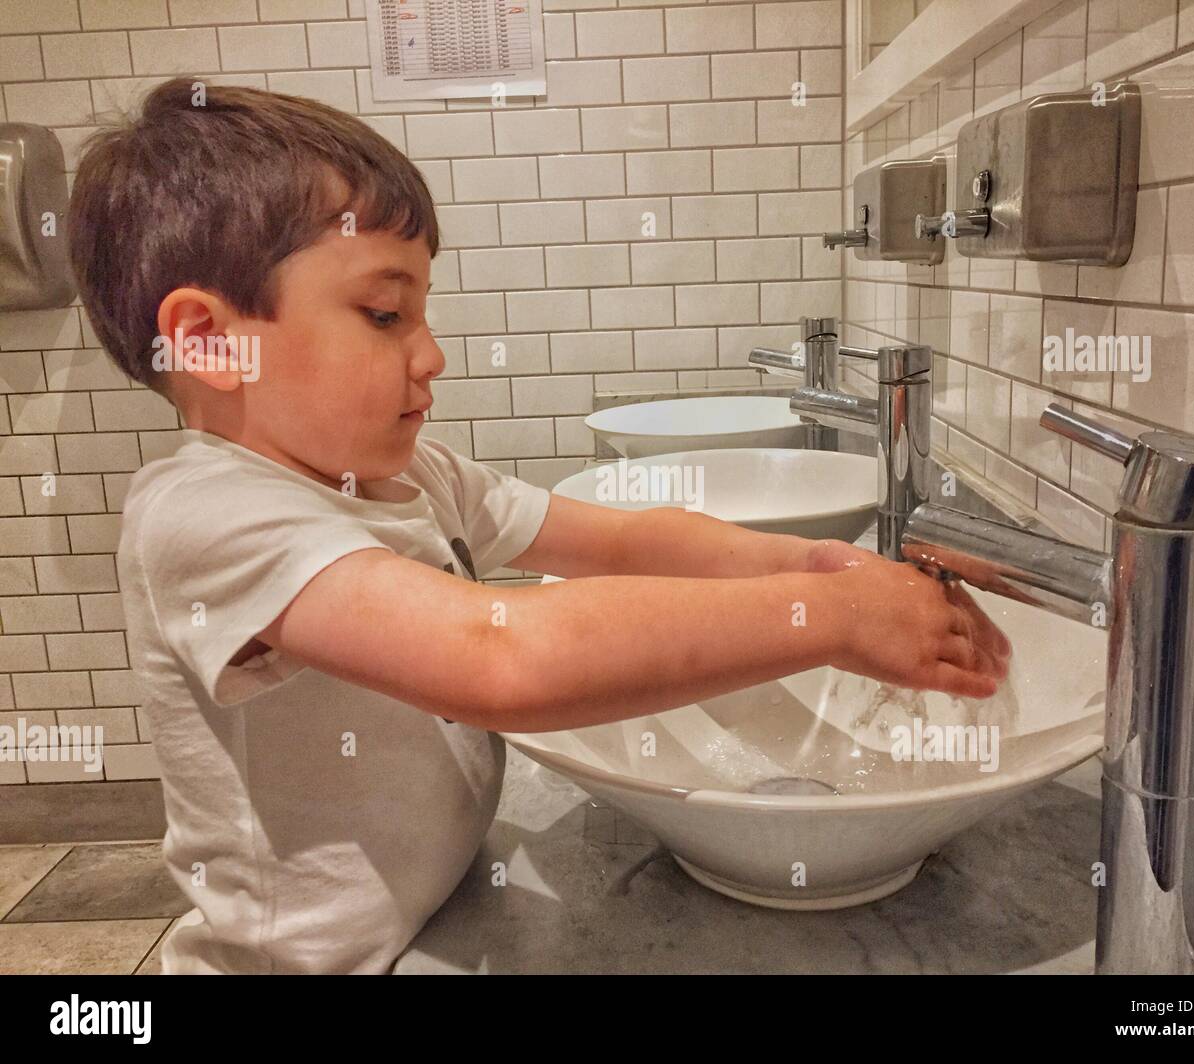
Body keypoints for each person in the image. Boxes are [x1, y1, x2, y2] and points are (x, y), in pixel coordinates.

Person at [67, 78, 1010, 974]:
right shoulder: (204, 513)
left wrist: (810, 563)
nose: (430, 354)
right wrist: (827, 623)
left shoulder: (411, 475)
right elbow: (500, 657)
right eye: (384, 312)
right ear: (207, 342)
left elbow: (625, 539)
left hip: (433, 919)